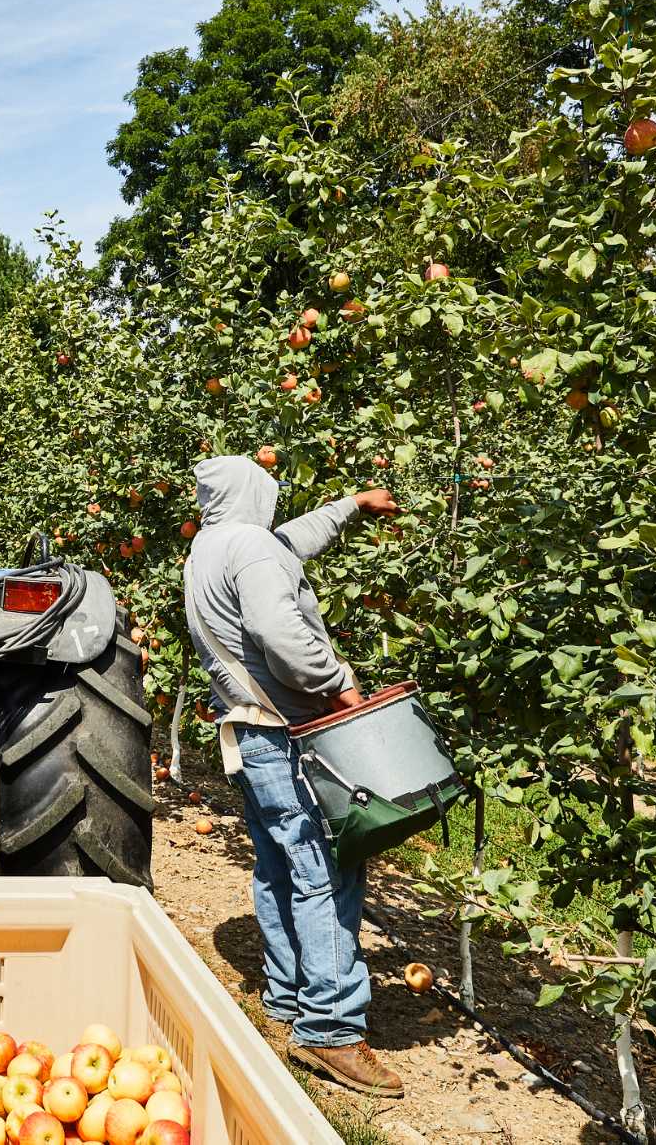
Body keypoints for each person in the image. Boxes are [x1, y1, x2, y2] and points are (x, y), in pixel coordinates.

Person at [182, 453, 403, 1097]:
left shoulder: (212, 547)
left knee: (279, 864)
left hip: (248, 731)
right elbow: (279, 632)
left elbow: (285, 545)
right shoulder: (250, 546)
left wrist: (350, 508)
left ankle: (285, 997)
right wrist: (339, 687)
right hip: (290, 733)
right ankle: (331, 1028)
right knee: (326, 871)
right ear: (257, 492)